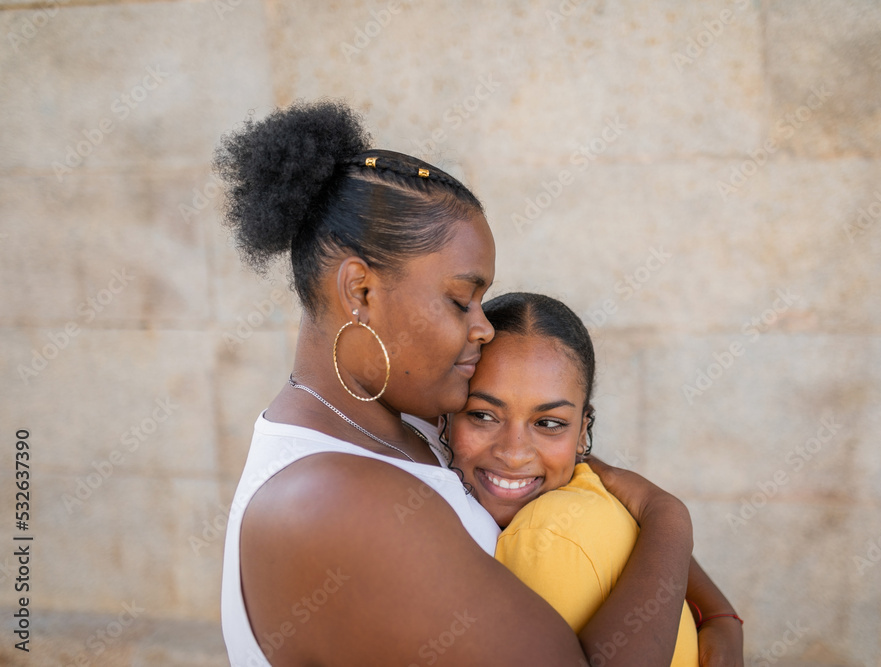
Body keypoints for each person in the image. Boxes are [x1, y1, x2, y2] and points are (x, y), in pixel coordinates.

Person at [216, 99, 698, 666]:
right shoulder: (335, 500)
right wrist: (671, 517)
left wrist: (718, 614)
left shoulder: (408, 421)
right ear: (360, 292)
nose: (484, 327)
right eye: (460, 300)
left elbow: (574, 480)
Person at [444, 292, 743, 667]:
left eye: (549, 423)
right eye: (484, 416)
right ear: (446, 412)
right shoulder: (593, 491)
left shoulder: (546, 535)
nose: (514, 452)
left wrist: (669, 514)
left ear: (582, 430)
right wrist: (668, 515)